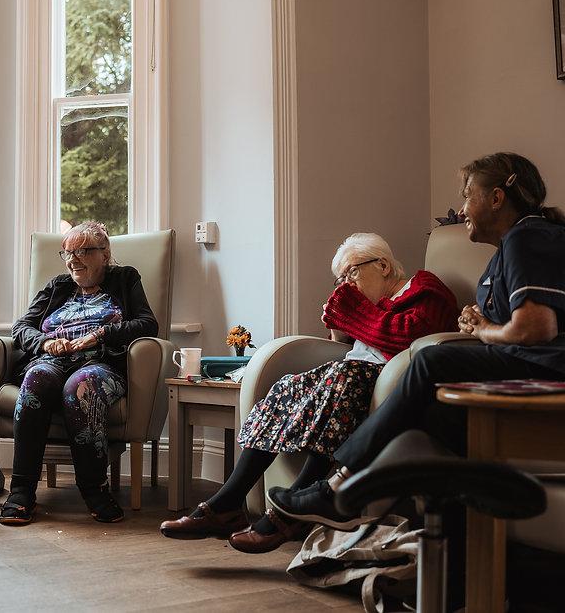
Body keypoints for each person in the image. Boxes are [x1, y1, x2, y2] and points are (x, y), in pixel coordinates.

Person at [270, 152, 565, 531]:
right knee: (426, 419)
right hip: (530, 370)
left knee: (430, 361)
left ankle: (338, 491)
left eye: (467, 195)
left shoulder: (529, 235)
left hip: (548, 373)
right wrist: (482, 320)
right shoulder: (510, 249)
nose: (461, 209)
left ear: (496, 198)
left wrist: (481, 330)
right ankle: (412, 537)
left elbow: (534, 329)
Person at [161, 232, 458, 553]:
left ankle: (288, 516)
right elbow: (344, 346)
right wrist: (339, 322)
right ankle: (228, 504)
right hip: (350, 375)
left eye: (351, 272)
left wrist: (353, 312)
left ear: (383, 265)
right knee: (285, 387)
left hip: (389, 382)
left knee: (344, 377)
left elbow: (414, 335)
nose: (346, 283)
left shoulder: (424, 287)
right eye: (339, 279)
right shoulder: (372, 305)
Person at [0, 222, 159, 525]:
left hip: (101, 362)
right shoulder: (58, 286)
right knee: (36, 381)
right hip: (53, 359)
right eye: (68, 253)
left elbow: (147, 324)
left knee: (80, 387)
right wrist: (46, 342)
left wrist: (100, 335)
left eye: (83, 251)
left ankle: (94, 489)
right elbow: (21, 328)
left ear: (105, 254)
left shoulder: (125, 278)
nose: (73, 259)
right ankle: (21, 492)